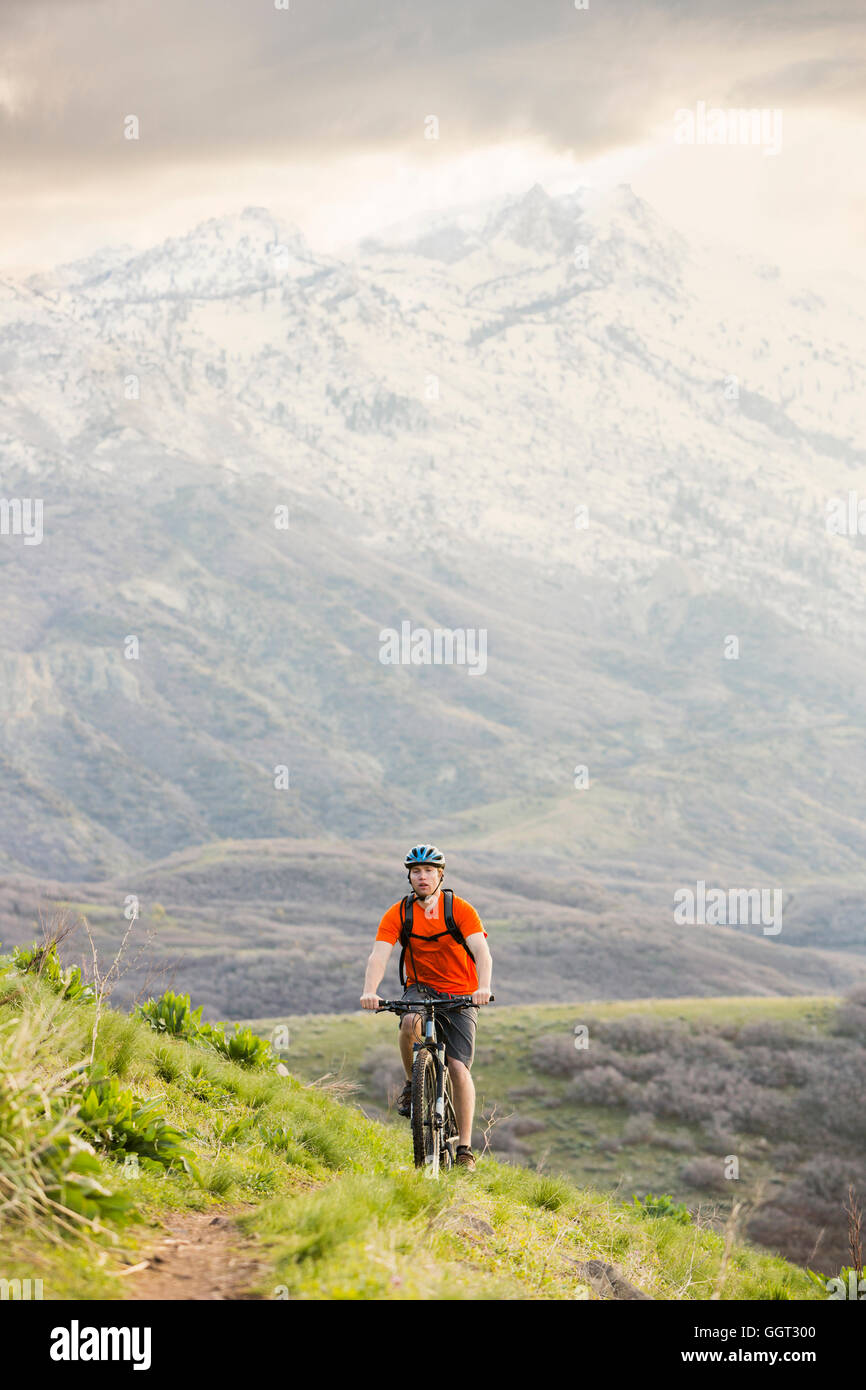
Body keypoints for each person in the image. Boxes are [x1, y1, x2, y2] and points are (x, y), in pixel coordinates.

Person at [360, 844, 493, 1171]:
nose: (422, 877)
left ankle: (464, 1148)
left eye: (429, 871)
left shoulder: (459, 909)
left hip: (461, 992)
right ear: (409, 876)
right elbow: (379, 955)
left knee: (459, 1069)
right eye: (416, 872)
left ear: (440, 875)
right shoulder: (399, 913)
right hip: (420, 987)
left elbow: (481, 951)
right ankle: (412, 1084)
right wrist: (370, 990)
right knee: (408, 1025)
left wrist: (483, 987)